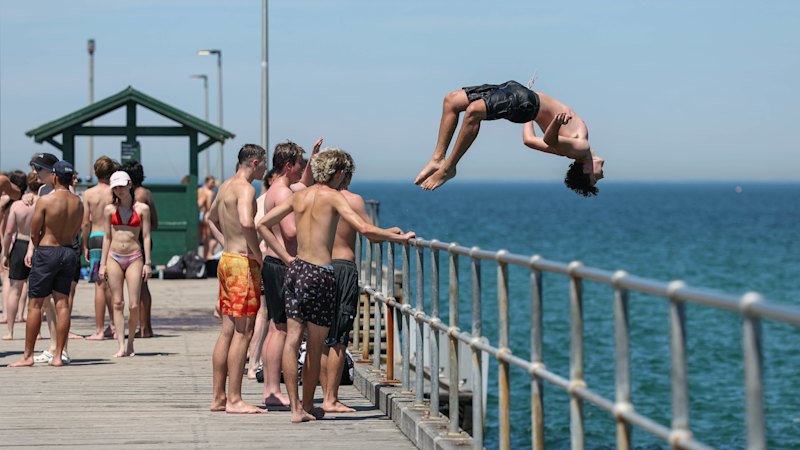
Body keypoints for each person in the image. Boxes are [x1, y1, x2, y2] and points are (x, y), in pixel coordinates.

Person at [258, 148, 414, 423]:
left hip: (297, 270)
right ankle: (307, 406)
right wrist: (396, 237)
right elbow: (364, 230)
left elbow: (262, 224)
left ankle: (296, 409)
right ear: (340, 172)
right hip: (319, 274)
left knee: (292, 340)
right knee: (316, 346)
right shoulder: (333, 197)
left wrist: (285, 257)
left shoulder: (300, 195)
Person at [414, 80, 605, 195]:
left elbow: (549, 140)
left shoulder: (581, 148)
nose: (602, 175)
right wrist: (533, 116)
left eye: (595, 179)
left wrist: (555, 122)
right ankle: (438, 158)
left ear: (586, 169)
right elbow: (529, 140)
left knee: (473, 112)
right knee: (452, 100)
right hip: (524, 97)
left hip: (525, 101)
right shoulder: (569, 151)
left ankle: (449, 167)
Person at [206, 144, 267, 414]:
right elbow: (246, 222)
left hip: (227, 260)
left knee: (227, 331)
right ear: (254, 162)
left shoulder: (225, 186)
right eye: (263, 164)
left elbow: (210, 219)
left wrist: (226, 244)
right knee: (244, 332)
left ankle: (218, 398)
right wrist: (257, 254)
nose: (265, 169)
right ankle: (234, 399)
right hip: (242, 264)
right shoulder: (245, 188)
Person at [258, 139, 320, 407]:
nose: (302, 168)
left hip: (273, 264)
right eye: (299, 164)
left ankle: (272, 388)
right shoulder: (283, 195)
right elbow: (290, 231)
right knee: (280, 330)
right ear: (287, 165)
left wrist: (314, 156)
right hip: (282, 264)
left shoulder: (279, 188)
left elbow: (302, 185)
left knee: (275, 327)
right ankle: (273, 389)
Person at [9, 161, 83, 368]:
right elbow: (77, 229)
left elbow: (34, 231)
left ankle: (28, 356)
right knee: (63, 304)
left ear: (55, 177)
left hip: (47, 251)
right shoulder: (78, 202)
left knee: (35, 305)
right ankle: (58, 355)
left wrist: (38, 244)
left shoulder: (46, 201)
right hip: (69, 252)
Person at [98, 171, 152, 357]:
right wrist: (103, 264)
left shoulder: (142, 209)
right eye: (116, 187)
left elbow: (146, 236)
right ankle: (121, 344)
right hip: (114, 256)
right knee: (118, 302)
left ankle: (131, 343)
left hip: (134, 256)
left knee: (134, 304)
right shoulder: (109, 209)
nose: (119, 190)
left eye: (122, 185)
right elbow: (106, 237)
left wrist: (148, 263)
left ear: (129, 184)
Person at [246, 167, 278, 380]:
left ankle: (251, 358)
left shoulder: (258, 200)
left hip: (256, 260)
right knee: (264, 314)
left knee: (256, 314)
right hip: (267, 261)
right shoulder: (271, 201)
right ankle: (254, 362)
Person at [81, 156, 118, 340]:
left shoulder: (89, 194)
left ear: (95, 173)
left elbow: (85, 223)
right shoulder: (114, 192)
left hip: (96, 237)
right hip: (112, 237)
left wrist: (85, 244)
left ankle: (99, 330)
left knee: (99, 285)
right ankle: (114, 325)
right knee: (112, 285)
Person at [122, 160, 159, 338]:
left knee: (141, 286)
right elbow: (155, 223)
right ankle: (146, 326)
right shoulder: (147, 193)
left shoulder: (133, 195)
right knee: (143, 285)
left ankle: (144, 328)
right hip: (145, 240)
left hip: (135, 242)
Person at [1, 171, 32, 339]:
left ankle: (9, 324)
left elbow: (7, 231)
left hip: (15, 243)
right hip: (29, 243)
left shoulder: (12, 205)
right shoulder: (37, 203)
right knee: (31, 287)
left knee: (12, 286)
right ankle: (24, 318)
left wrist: (4, 253)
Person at [198, 175, 217, 260]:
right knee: (208, 239)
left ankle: (197, 257)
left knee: (199, 237)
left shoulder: (199, 190)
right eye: (212, 182)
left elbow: (199, 203)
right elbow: (209, 206)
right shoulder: (210, 192)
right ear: (207, 182)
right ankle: (207, 257)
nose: (213, 184)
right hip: (206, 215)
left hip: (200, 214)